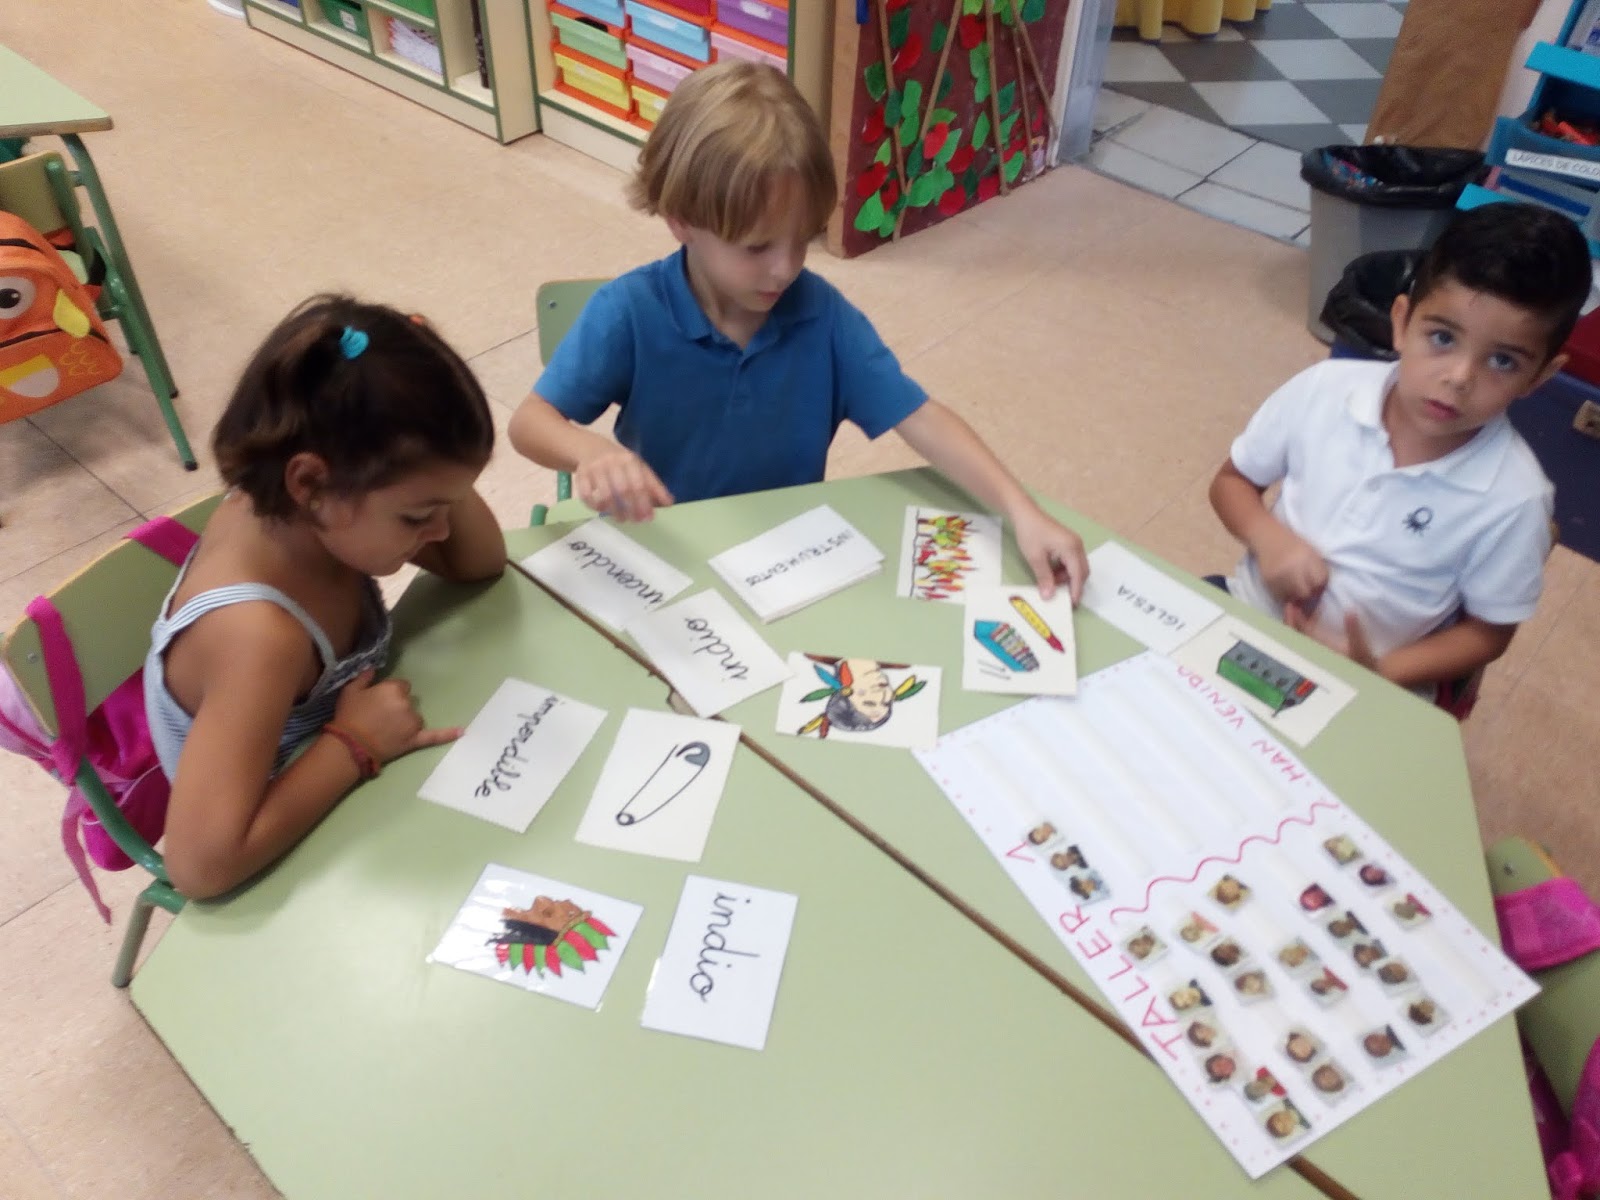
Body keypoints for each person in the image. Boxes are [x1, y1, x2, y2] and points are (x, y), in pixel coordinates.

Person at [507, 60, 1088, 602]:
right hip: (665, 555)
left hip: (783, 562)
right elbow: (529, 423)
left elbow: (922, 417)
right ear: (680, 220)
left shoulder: (823, 317)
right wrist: (590, 453)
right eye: (757, 246)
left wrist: (1022, 510)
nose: (785, 269)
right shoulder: (628, 311)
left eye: (802, 238)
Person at [146, 296, 505, 899]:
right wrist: (355, 745)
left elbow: (478, 563)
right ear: (310, 483)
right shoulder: (259, 637)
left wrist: (439, 460)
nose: (440, 532)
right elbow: (199, 868)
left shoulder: (317, 518)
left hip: (339, 793)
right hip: (278, 839)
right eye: (419, 515)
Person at [1208, 204, 1590, 698]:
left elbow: (1488, 632)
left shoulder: (1515, 499)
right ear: (1401, 322)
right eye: (1442, 337)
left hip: (1373, 681)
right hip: (1247, 613)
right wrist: (1267, 537)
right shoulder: (1325, 389)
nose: (1459, 377)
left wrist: (1380, 672)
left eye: (1502, 360)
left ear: (1540, 377)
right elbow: (1231, 482)